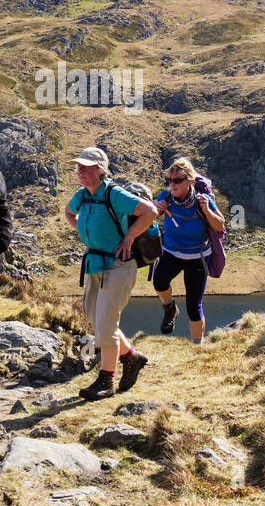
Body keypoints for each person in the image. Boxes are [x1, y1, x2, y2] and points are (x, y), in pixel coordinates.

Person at [65, 147, 158, 400]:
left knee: (106, 324)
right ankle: (132, 357)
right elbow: (68, 212)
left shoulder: (114, 194)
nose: (80, 170)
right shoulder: (82, 195)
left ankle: (106, 381)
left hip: (118, 265)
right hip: (95, 263)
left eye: (85, 166)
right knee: (96, 320)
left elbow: (151, 212)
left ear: (100, 169)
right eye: (78, 166)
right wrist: (85, 233)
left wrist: (128, 238)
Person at [153, 157, 224, 343]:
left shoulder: (203, 200)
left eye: (177, 180)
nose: (172, 184)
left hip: (198, 257)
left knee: (193, 306)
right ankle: (169, 308)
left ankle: (197, 348)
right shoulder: (165, 197)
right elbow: (148, 216)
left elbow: (219, 225)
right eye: (170, 180)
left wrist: (207, 211)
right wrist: (156, 209)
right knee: (159, 282)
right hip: (171, 252)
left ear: (190, 181)